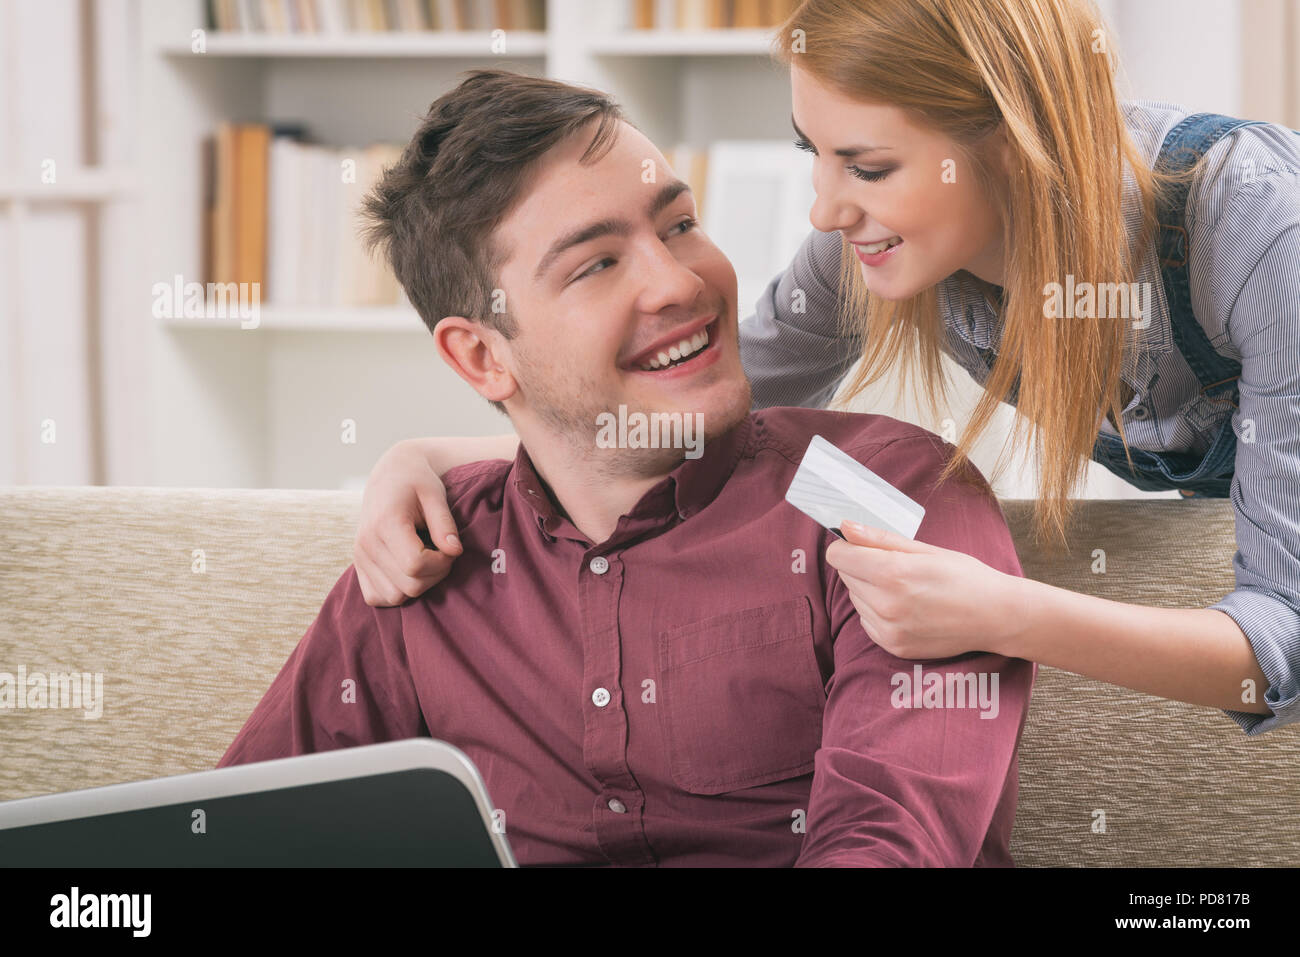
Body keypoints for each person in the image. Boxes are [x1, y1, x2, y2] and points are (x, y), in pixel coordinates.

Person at [354, 0, 1300, 735]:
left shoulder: (1254, 229)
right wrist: (439, 458)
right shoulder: (874, 243)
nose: (825, 210)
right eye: (814, 155)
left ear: (1013, 147)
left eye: (868, 164)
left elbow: (1275, 647)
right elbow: (687, 403)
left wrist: (1003, 613)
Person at [219, 69, 1035, 866]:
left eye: (680, 225)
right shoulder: (426, 554)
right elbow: (228, 835)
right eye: (597, 264)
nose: (680, 281)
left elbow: (888, 847)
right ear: (480, 357)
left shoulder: (876, 496)